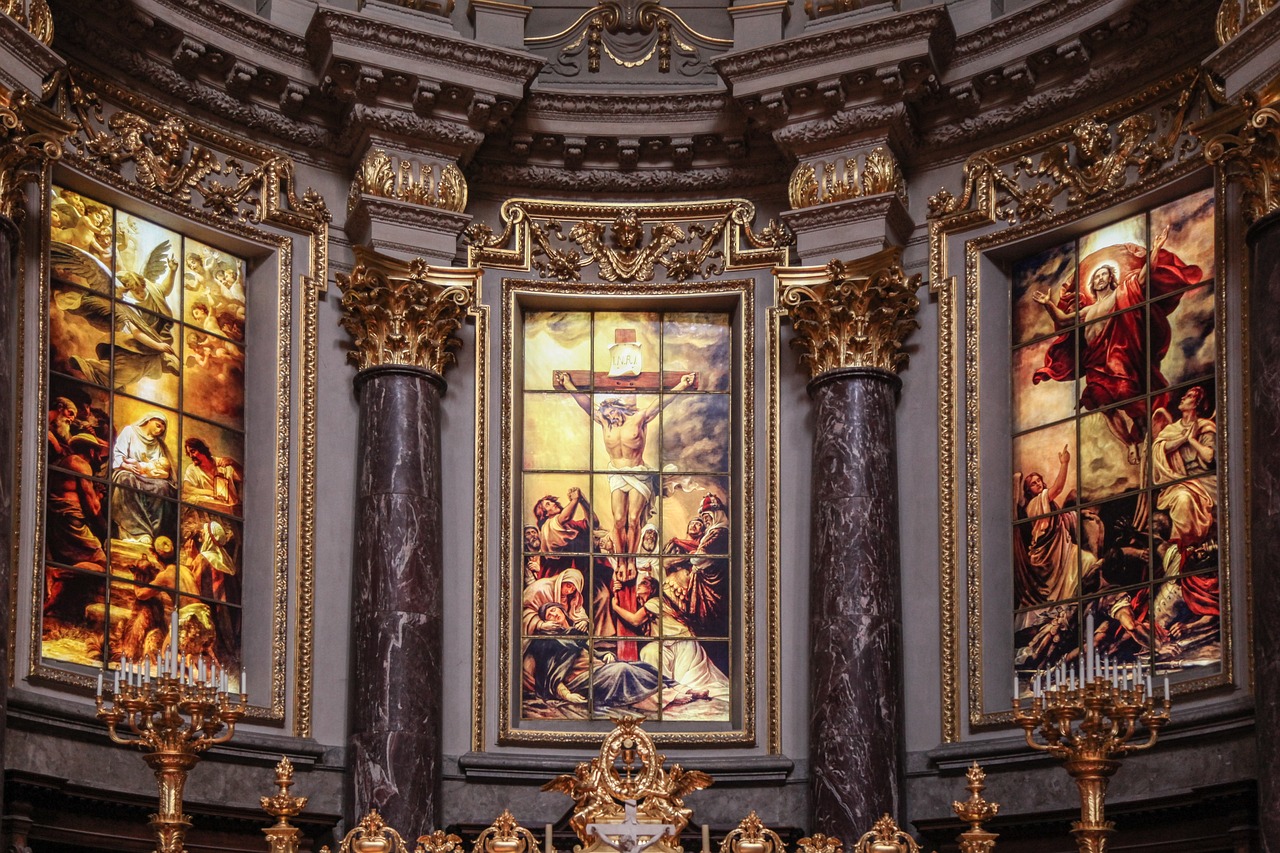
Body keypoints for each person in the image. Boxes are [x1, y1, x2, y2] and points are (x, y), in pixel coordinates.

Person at [1031, 227, 1203, 463]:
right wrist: (1048, 304)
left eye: (1104, 274)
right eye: (1096, 276)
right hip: (1096, 361)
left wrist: (1156, 248)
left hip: (1120, 355)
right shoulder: (1088, 310)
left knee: (1128, 396)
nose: (1100, 278)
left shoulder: (1123, 292)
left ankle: (1144, 433)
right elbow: (1061, 319)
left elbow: (1145, 276)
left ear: (1111, 278)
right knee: (1102, 402)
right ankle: (1130, 443)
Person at [554, 370, 697, 566]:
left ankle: (631, 561)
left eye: (612, 410)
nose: (610, 414)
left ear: (620, 407)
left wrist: (682, 385)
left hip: (638, 474)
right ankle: (621, 562)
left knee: (633, 518)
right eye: (607, 411)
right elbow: (586, 404)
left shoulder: (639, 417)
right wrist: (569, 385)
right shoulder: (605, 421)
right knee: (619, 519)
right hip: (617, 474)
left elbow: (661, 403)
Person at [610, 575, 729, 702]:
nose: (639, 585)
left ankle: (680, 693)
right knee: (649, 651)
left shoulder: (655, 601)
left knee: (689, 680)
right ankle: (669, 693)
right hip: (670, 643)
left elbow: (635, 620)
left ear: (652, 589)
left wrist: (615, 607)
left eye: (644, 583)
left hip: (682, 642)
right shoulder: (653, 605)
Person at [1151, 386, 1216, 548]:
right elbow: (1160, 448)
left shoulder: (1204, 426)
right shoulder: (1171, 429)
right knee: (1183, 498)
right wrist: (1183, 439)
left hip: (1204, 480)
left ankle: (1188, 548)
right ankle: (1179, 549)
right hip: (1177, 481)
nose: (1182, 398)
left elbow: (1209, 456)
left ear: (1196, 403)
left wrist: (1192, 440)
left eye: (1188, 396)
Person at [110, 412, 177, 544]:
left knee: (162, 486)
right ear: (149, 420)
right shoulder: (130, 431)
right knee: (125, 478)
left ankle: (153, 533)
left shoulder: (158, 444)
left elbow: (160, 466)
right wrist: (126, 466)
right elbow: (118, 454)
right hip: (128, 471)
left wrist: (157, 472)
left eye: (162, 429)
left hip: (148, 476)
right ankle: (135, 531)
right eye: (158, 425)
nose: (159, 430)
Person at [182, 437, 243, 514]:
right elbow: (187, 488)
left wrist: (233, 463)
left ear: (202, 450)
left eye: (193, 451)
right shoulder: (192, 469)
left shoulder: (222, 463)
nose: (191, 456)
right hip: (215, 509)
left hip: (234, 508)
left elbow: (243, 478)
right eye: (189, 453)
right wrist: (211, 492)